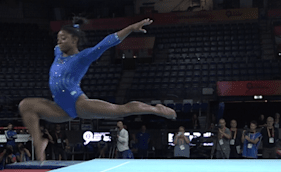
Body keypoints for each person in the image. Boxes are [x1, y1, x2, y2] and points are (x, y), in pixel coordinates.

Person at [19, 17, 176, 160]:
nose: (59, 41)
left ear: (74, 40)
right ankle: (38, 142)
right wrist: (75, 25)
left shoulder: (83, 57)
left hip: (77, 103)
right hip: (60, 109)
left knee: (121, 110)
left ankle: (156, 109)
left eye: (64, 38)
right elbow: (69, 33)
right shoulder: (57, 52)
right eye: (58, 38)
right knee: (25, 105)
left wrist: (130, 28)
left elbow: (107, 43)